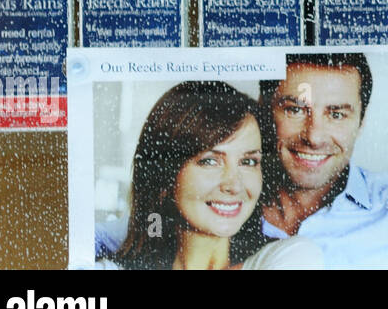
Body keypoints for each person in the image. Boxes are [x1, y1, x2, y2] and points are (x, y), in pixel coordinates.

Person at [103, 81, 322, 270]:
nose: (234, 185)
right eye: (210, 161)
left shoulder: (292, 258)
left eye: (248, 162)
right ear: (164, 175)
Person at [256, 53, 388, 269]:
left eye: (336, 115)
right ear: (264, 111)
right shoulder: (221, 204)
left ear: (361, 121)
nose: (314, 137)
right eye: (295, 110)